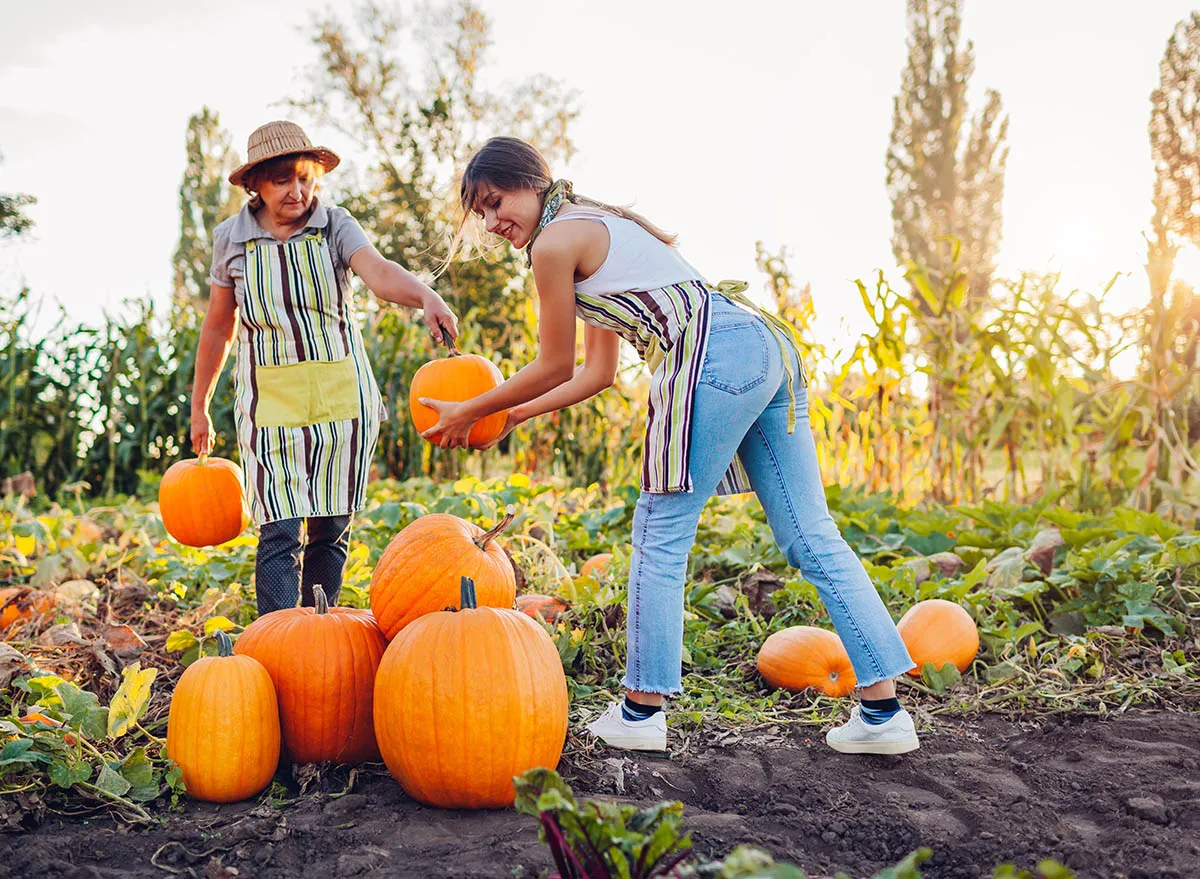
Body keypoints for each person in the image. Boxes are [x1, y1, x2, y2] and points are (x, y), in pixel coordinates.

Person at [420, 136, 918, 755]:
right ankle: (884, 713)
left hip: (710, 353)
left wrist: (471, 408)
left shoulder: (553, 243)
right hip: (761, 344)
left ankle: (640, 711)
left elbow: (551, 363)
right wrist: (513, 415)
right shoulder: (592, 225)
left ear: (532, 181)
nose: (494, 223)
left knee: (660, 531)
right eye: (483, 214)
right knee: (811, 534)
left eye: (497, 203)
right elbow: (593, 375)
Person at [191, 120, 458, 617]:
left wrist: (424, 294)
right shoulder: (231, 238)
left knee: (331, 529)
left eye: (305, 178)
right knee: (278, 529)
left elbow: (377, 273)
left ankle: (319, 632)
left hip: (340, 396)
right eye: (282, 181)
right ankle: (277, 640)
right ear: (255, 185)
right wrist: (199, 404)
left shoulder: (335, 223)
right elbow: (217, 328)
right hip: (269, 401)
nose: (297, 192)